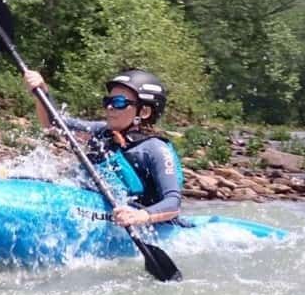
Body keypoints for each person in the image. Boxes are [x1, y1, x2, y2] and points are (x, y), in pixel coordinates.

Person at [23, 68, 184, 228]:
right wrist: (42, 91)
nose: (110, 107)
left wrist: (139, 216)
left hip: (148, 225)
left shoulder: (155, 149)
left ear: (144, 112)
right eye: (108, 101)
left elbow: (173, 203)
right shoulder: (101, 132)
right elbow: (53, 124)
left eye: (119, 102)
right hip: (97, 211)